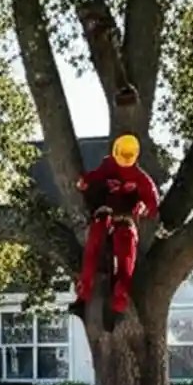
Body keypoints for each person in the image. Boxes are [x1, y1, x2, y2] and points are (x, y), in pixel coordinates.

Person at [69, 133, 159, 325]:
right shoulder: (108, 165)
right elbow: (94, 177)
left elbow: (152, 201)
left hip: (125, 220)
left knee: (126, 257)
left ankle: (118, 301)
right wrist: (85, 182)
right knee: (94, 245)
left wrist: (143, 207)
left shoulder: (141, 179)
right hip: (105, 215)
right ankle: (84, 295)